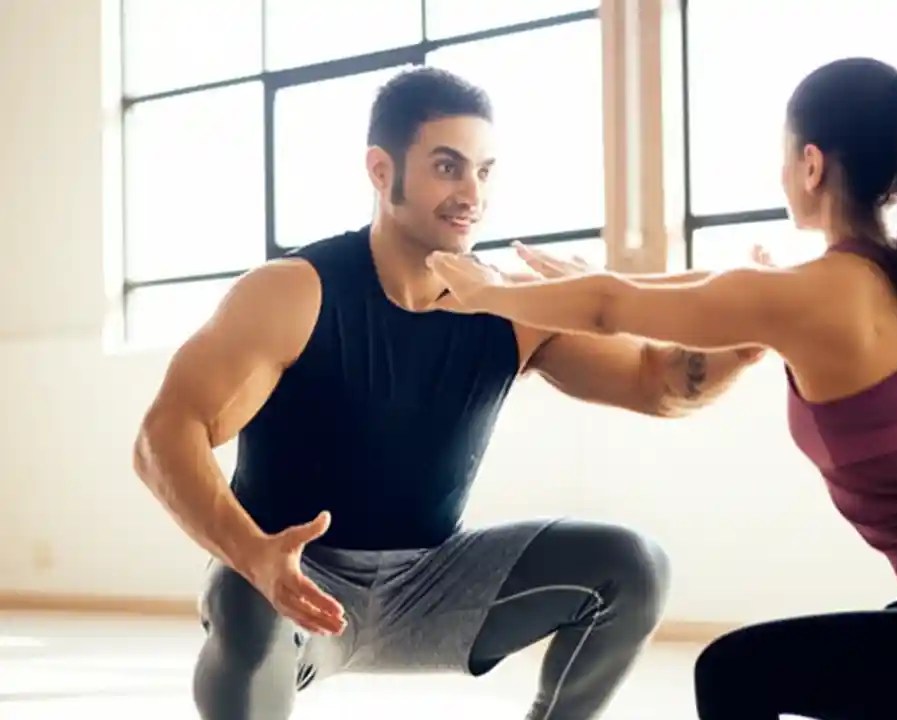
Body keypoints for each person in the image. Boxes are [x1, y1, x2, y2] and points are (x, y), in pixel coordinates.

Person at [425, 57, 897, 719]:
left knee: (736, 673)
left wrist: (487, 293)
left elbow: (613, 307)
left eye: (781, 157)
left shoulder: (819, 293)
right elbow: (675, 289)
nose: (779, 176)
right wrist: (568, 282)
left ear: (810, 164)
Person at [131, 66, 763, 720]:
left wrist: (738, 352)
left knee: (633, 565)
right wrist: (252, 553)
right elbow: (163, 436)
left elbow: (659, 382)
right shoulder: (294, 292)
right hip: (296, 578)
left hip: (437, 582)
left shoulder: (513, 309)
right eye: (447, 167)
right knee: (246, 603)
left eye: (484, 171)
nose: (471, 194)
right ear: (381, 171)